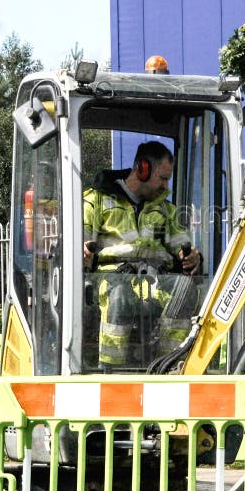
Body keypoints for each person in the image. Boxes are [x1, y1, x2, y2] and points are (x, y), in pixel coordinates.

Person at [83, 141, 202, 369]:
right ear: (142, 168)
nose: (166, 187)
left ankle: (168, 366)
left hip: (153, 283)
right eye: (163, 178)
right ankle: (111, 372)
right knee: (119, 294)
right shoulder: (96, 201)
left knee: (185, 288)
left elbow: (181, 246)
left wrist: (192, 257)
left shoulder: (165, 210)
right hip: (110, 282)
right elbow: (79, 243)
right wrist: (83, 252)